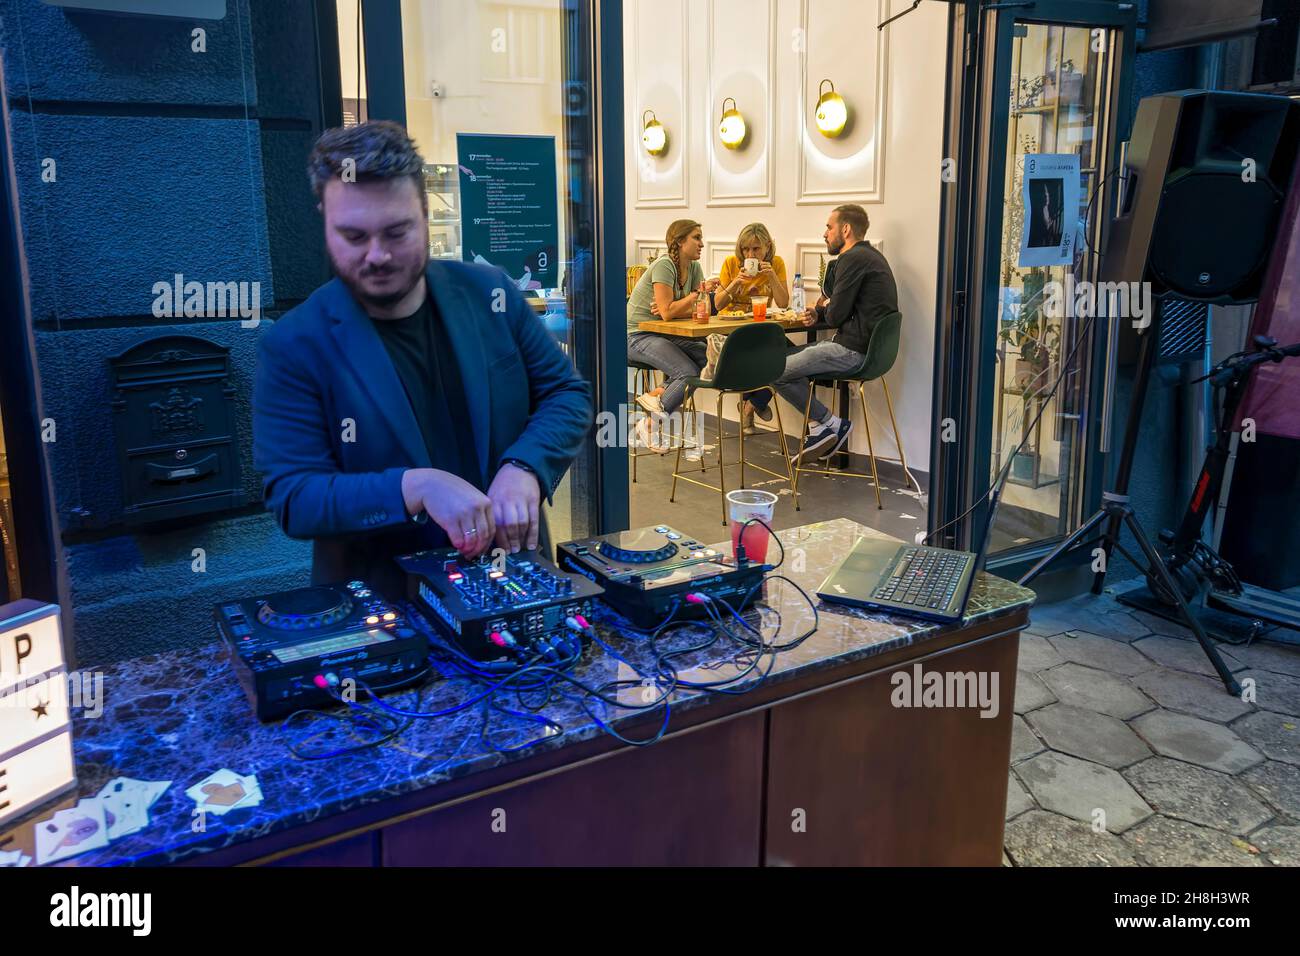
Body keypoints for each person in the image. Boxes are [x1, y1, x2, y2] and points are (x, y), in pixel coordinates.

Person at [253, 121, 591, 596]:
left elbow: (566, 394)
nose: (377, 256)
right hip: (386, 612)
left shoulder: (490, 291)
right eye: (353, 236)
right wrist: (415, 487)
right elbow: (295, 497)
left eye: (397, 232)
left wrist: (526, 467)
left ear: (426, 215)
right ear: (324, 221)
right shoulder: (293, 345)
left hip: (514, 585)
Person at [743, 203, 898, 462]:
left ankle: (830, 424)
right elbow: (841, 309)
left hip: (852, 351)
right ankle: (820, 428)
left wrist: (827, 309)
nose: (825, 233)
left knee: (773, 370)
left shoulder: (852, 258)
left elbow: (837, 314)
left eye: (829, 227)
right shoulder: (871, 257)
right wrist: (822, 311)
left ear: (846, 229)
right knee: (786, 358)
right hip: (868, 350)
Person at [626, 219, 718, 451]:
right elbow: (669, 312)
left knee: (709, 359)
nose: (702, 244)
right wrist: (691, 297)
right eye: (696, 238)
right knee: (686, 372)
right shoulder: (664, 266)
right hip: (636, 335)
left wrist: (679, 304)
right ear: (679, 241)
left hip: (664, 335)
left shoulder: (694, 268)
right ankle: (649, 425)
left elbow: (698, 308)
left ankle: (654, 401)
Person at [716, 222, 790, 312]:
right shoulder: (730, 262)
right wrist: (735, 283)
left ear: (767, 246)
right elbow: (718, 305)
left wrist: (772, 276)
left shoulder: (776, 263)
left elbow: (783, 304)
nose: (750, 255)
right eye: (746, 249)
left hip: (759, 320)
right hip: (731, 320)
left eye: (756, 248)